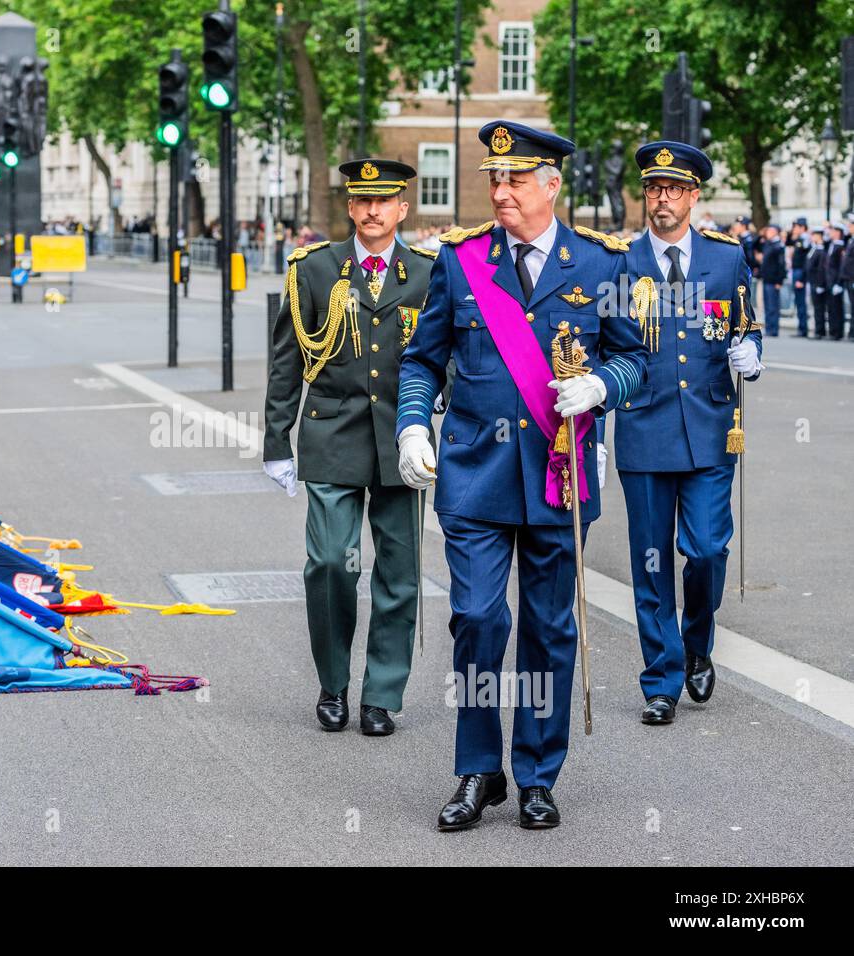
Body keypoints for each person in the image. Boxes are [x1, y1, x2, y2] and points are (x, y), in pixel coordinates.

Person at [395, 121, 647, 830]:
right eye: (494, 180)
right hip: (475, 475)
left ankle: (537, 773)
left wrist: (601, 386)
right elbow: (421, 358)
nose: (501, 192)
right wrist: (414, 424)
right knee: (478, 618)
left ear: (552, 185)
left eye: (515, 180)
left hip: (557, 480)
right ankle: (479, 770)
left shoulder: (601, 265)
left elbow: (634, 359)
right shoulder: (462, 261)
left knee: (547, 629)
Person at [263, 158, 436, 737]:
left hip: (399, 441)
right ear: (350, 208)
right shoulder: (315, 270)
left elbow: (446, 359)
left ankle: (382, 693)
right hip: (332, 433)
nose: (372, 211)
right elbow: (287, 361)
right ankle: (333, 681)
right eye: (362, 201)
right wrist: (275, 443)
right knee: (332, 563)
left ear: (402, 209)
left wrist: (448, 427)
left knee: (399, 573)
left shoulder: (428, 273)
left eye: (384, 201)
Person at [615, 141, 763, 726]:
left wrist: (751, 347)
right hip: (645, 431)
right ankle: (661, 678)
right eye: (654, 189)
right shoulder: (621, 263)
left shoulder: (725, 261)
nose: (663, 199)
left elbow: (746, 323)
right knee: (651, 564)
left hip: (708, 429)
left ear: (694, 197)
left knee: (705, 551)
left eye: (674, 190)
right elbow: (604, 347)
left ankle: (698, 641)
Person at [758, 225, 785, 337]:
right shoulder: (769, 244)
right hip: (767, 278)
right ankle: (769, 327)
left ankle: (773, 329)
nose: (767, 233)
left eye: (769, 231)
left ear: (774, 232)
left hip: (774, 280)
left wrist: (779, 281)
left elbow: (781, 264)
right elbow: (756, 244)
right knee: (768, 305)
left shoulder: (778, 246)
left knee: (773, 306)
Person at [786, 219, 810, 338]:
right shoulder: (799, 239)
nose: (794, 229)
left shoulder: (805, 239)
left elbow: (805, 261)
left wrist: (801, 278)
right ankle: (801, 327)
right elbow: (788, 241)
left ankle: (803, 329)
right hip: (796, 271)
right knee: (798, 301)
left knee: (801, 302)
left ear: (802, 227)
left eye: (796, 227)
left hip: (800, 272)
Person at [825, 223, 846, 341]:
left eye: (832, 231)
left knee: (837, 308)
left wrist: (839, 283)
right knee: (831, 308)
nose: (830, 233)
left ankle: (838, 332)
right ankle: (833, 330)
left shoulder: (840, 246)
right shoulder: (832, 245)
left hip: (836, 281)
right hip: (829, 281)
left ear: (838, 232)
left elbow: (841, 267)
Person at [807, 227, 828, 338]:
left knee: (819, 308)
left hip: (817, 282)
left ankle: (820, 331)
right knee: (816, 308)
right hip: (813, 282)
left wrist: (820, 284)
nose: (812, 237)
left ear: (819, 236)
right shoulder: (815, 249)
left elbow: (821, 269)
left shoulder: (821, 250)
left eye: (814, 235)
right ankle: (818, 329)